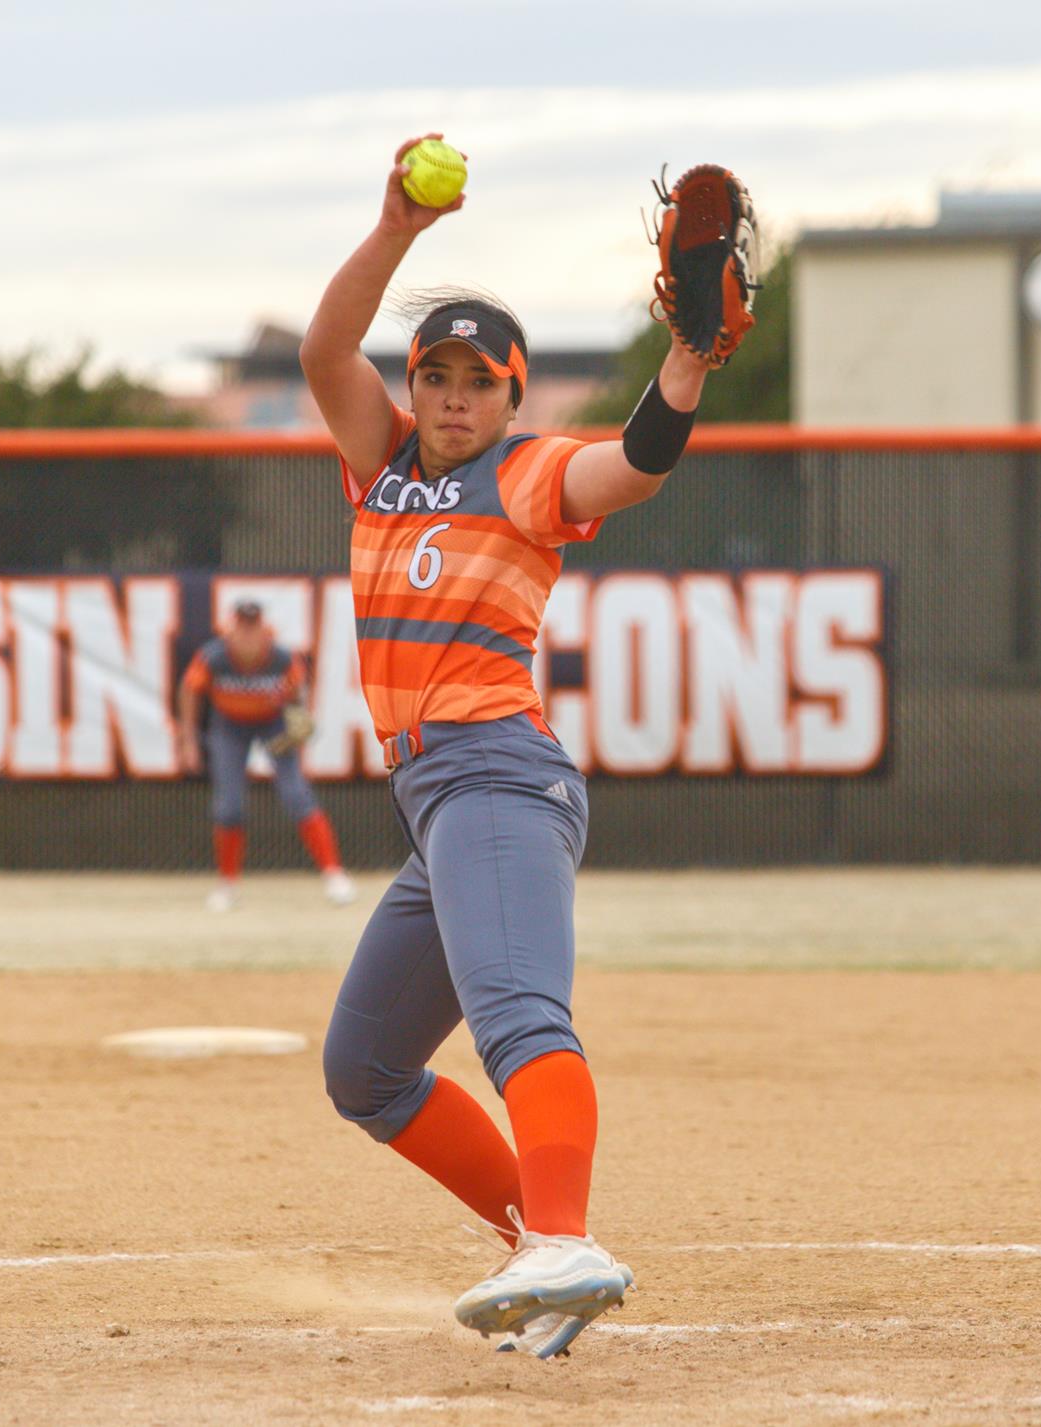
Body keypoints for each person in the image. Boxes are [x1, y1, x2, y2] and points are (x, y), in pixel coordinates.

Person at [301, 134, 721, 1360]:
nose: (448, 396)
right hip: (437, 804)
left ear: (510, 398)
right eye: (434, 374)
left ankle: (564, 1236)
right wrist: (396, 230)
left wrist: (684, 364)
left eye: (475, 380)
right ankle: (536, 1255)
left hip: (495, 773)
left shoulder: (529, 475)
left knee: (518, 1017)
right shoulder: (378, 469)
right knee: (366, 1068)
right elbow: (327, 352)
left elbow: (632, 468)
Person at [178, 599, 356, 910]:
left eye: (253, 626)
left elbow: (299, 690)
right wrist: (188, 740)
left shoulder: (281, 658)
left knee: (297, 795)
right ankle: (227, 885)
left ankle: (334, 875)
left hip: (273, 724)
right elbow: (190, 689)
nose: (248, 634)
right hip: (229, 726)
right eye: (242, 627)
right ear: (230, 629)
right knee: (229, 804)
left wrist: (298, 722)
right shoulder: (214, 657)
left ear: (265, 629)